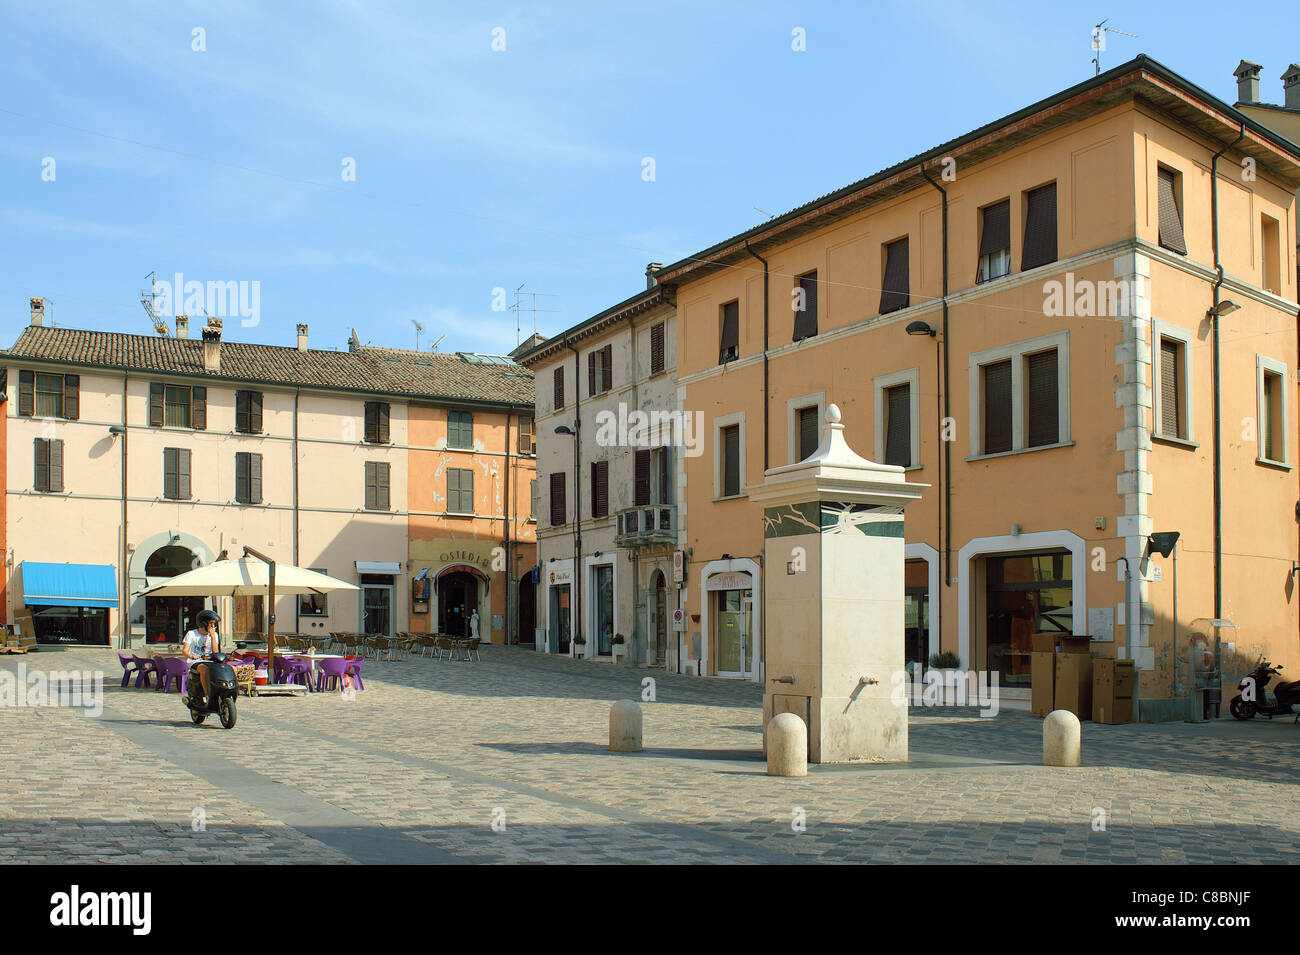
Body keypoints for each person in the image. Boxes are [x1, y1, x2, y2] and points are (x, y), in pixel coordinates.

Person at [182, 609, 221, 705]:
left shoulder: (214, 635)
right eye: (211, 623)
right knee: (204, 669)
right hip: (195, 661)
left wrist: (212, 637)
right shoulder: (191, 634)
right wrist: (192, 655)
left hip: (209, 660)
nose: (213, 626)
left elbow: (215, 652)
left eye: (214, 624)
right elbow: (185, 651)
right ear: (203, 623)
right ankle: (208, 695)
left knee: (229, 668)